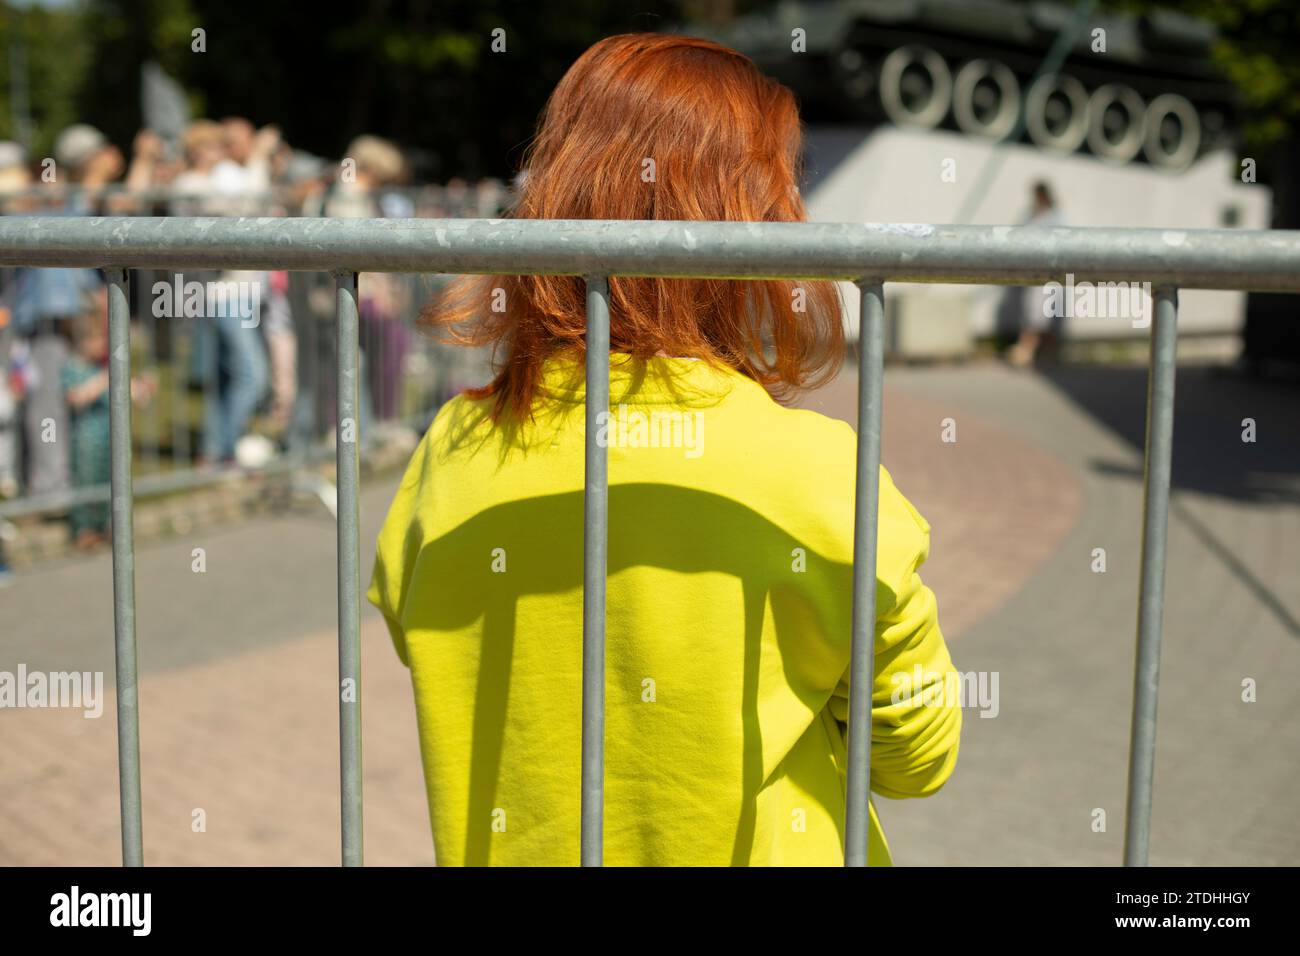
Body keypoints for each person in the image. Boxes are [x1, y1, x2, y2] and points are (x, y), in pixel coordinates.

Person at [368, 34, 961, 867]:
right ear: (748, 227)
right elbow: (916, 755)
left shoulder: (452, 449)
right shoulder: (817, 474)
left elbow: (422, 638)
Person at [61, 297, 154, 548]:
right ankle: (83, 528)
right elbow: (76, 397)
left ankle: (105, 526)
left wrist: (142, 389)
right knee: (86, 482)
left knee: (109, 482)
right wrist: (102, 380)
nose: (100, 346)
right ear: (81, 342)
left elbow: (132, 392)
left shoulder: (104, 368)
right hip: (85, 441)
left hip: (109, 438)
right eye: (95, 340)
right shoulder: (74, 367)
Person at [1008, 180, 1063, 367]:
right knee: (1034, 313)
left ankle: (1034, 351)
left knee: (1045, 315)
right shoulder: (1029, 215)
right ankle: (1032, 350)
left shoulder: (1055, 217)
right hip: (1032, 273)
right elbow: (1018, 235)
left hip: (1050, 274)